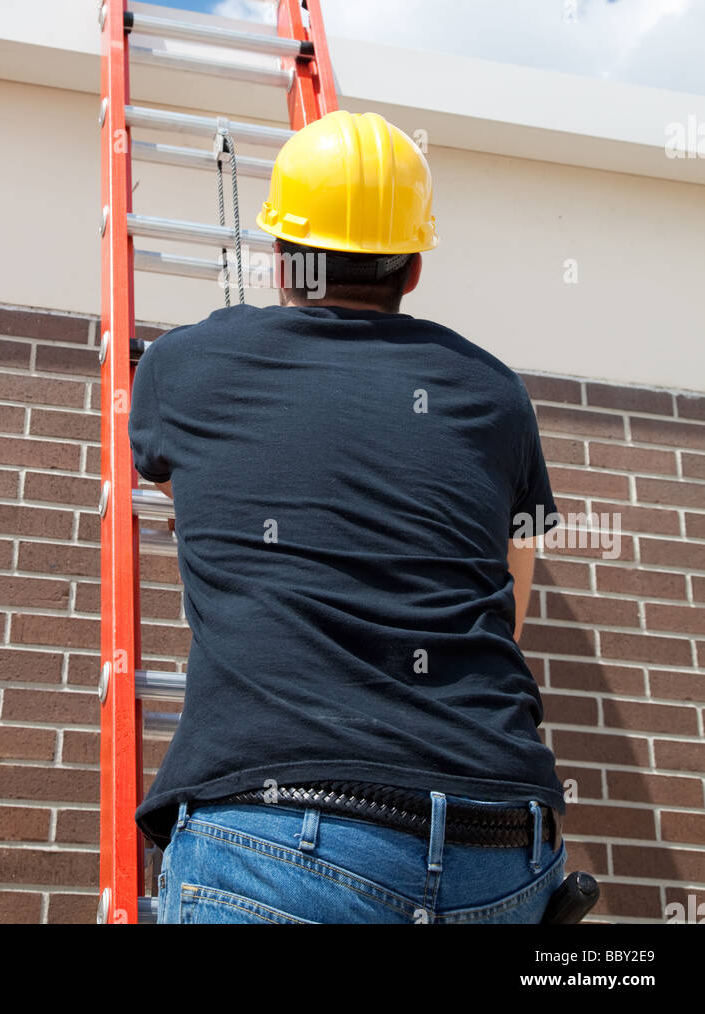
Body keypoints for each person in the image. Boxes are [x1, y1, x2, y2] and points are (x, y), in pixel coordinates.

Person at [129, 109, 567, 925]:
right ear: (415, 268)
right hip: (500, 837)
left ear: (280, 256)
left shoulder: (182, 368)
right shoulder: (494, 391)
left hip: (276, 833)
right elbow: (512, 610)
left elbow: (177, 497)